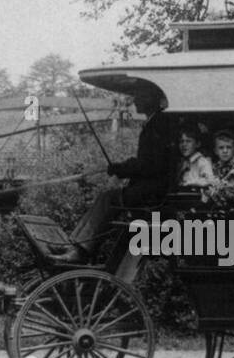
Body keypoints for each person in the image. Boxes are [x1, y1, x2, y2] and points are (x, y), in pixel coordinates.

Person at [55, 90, 172, 263]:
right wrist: (121, 167)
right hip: (151, 186)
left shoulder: (158, 124)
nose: (135, 100)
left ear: (152, 99)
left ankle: (80, 250)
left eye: (140, 96)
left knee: (107, 199)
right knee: (106, 197)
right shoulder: (156, 121)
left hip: (152, 190)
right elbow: (145, 162)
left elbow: (148, 165)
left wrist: (120, 169)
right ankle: (75, 244)